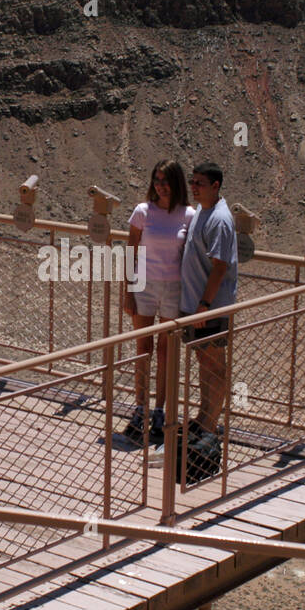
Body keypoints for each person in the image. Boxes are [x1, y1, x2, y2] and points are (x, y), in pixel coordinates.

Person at [121, 159, 194, 443]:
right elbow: (130, 253)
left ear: (176, 183)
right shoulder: (142, 212)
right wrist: (127, 292)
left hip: (173, 288)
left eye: (166, 180)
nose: (161, 186)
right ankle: (140, 407)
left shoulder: (188, 215)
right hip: (144, 286)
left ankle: (160, 409)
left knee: (166, 351)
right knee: (143, 349)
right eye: (157, 180)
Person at [179, 162, 238, 452]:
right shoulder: (204, 212)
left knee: (214, 366)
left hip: (209, 309)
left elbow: (220, 266)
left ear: (216, 186)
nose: (194, 187)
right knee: (205, 364)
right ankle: (203, 419)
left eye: (200, 183)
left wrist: (204, 305)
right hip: (196, 306)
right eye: (193, 182)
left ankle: (210, 426)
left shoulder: (220, 219)